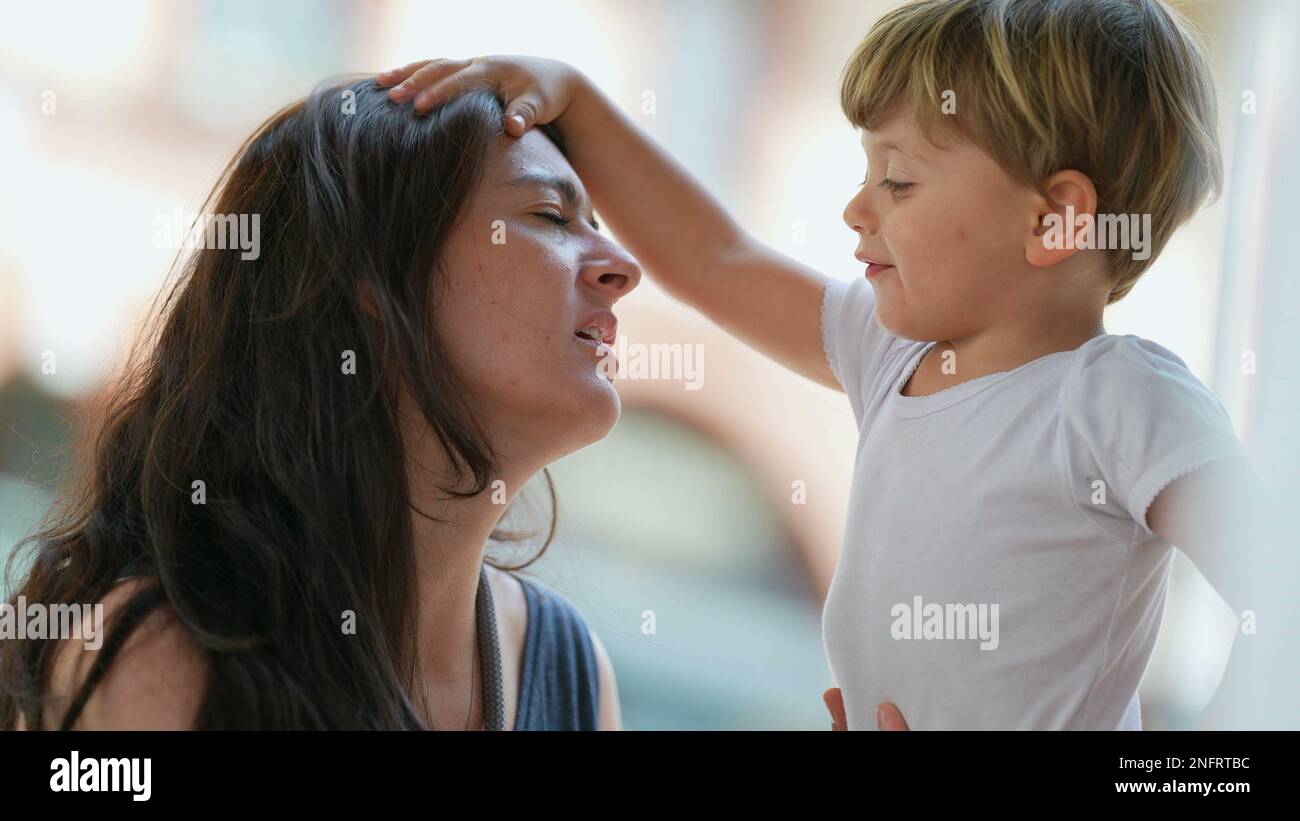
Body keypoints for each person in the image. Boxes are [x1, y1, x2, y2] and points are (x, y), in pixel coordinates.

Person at [381, 0, 1266, 730]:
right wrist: (576, 99)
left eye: (901, 181)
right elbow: (715, 259)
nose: (856, 209)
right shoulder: (892, 355)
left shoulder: (1119, 396)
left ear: (1056, 221)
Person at [1, 78, 639, 730]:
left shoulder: (575, 676)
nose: (624, 266)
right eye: (552, 218)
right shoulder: (162, 662)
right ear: (375, 281)